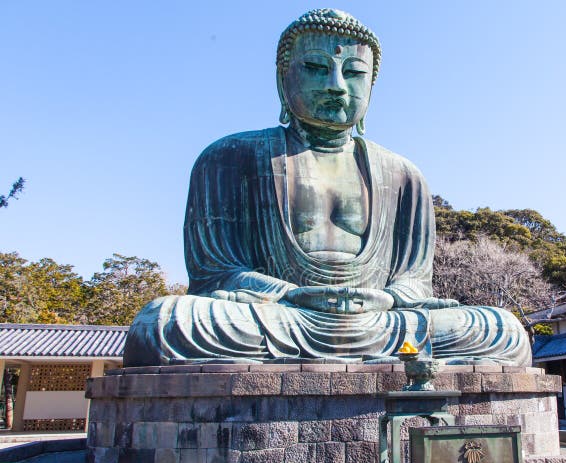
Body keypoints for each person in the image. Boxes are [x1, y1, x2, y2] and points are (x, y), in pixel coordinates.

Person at [123, 9, 531, 367]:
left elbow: (414, 282)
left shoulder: (404, 176)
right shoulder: (229, 158)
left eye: (354, 72)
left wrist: (386, 298)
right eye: (316, 67)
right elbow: (216, 275)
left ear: (372, 86)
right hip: (281, 318)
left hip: (381, 322)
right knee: (164, 324)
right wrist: (292, 295)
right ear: (283, 78)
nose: (336, 84)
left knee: (502, 331)